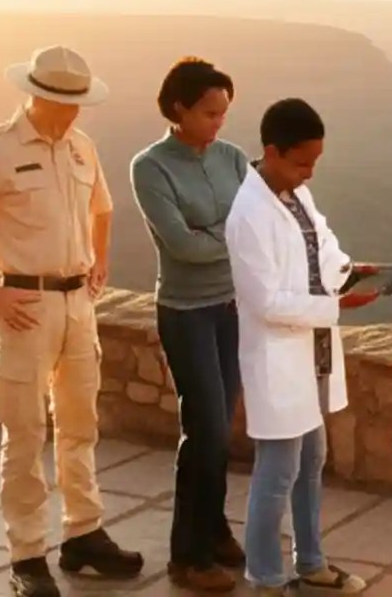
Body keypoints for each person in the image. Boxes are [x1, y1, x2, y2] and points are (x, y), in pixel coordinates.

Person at [0, 46, 143, 597]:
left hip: (77, 307)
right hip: (23, 309)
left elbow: (104, 208)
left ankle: (84, 534)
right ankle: (27, 555)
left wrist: (100, 260)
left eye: (78, 102)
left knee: (80, 428)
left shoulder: (82, 148)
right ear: (36, 94)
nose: (71, 112)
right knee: (24, 434)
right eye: (63, 101)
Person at [224, 97, 379, 595]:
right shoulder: (248, 214)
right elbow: (266, 301)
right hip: (277, 355)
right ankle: (266, 576)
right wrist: (337, 307)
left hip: (311, 352)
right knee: (279, 469)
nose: (309, 173)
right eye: (301, 162)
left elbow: (323, 244)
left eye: (315, 162)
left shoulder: (296, 197)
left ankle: (312, 562)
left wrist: (350, 270)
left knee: (313, 458)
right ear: (271, 151)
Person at [130, 58, 249, 591]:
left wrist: (213, 231)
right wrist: (228, 233)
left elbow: (255, 225)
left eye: (224, 112)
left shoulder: (231, 158)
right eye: (209, 112)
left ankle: (215, 523)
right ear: (179, 108)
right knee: (201, 430)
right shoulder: (150, 166)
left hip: (232, 308)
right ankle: (188, 555)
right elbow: (179, 244)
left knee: (219, 431)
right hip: (185, 312)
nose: (219, 122)